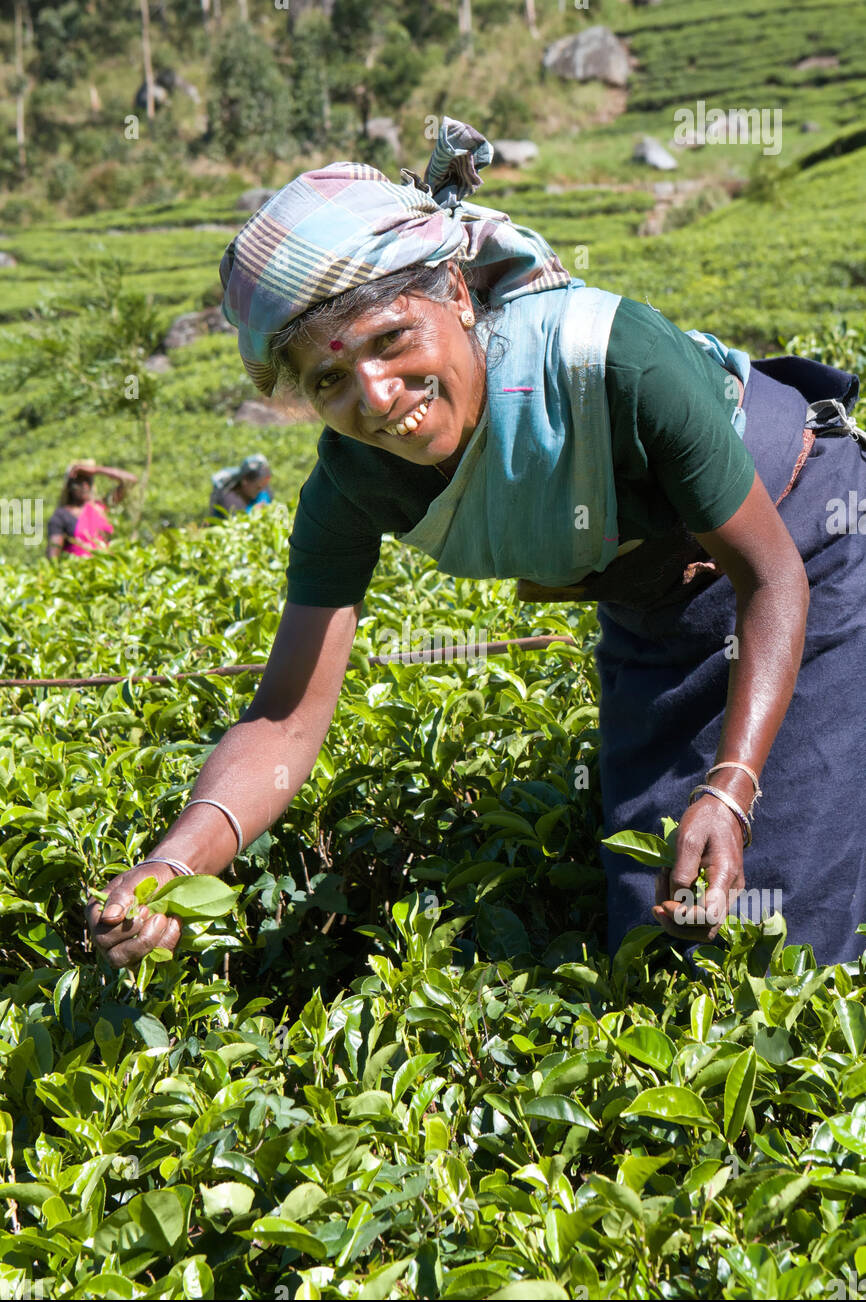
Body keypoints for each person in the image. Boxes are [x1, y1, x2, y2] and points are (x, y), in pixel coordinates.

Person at [86, 117, 866, 971]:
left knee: (787, 925)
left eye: (392, 340)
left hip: (797, 555)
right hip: (652, 616)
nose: (377, 398)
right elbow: (284, 717)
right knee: (662, 932)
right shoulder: (351, 482)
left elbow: (772, 578)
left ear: (457, 294)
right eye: (329, 380)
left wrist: (732, 784)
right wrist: (172, 864)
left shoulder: (611, 360)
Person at [46, 459, 138, 561]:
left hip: (107, 568)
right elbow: (53, 556)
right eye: (79, 482)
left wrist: (95, 470)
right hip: (79, 571)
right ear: (70, 486)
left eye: (88, 481)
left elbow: (131, 480)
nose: (84, 486)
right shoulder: (61, 516)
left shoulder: (101, 506)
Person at [208, 455, 273, 518]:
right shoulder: (229, 498)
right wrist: (254, 512)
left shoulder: (261, 489)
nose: (261, 491)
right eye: (258, 488)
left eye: (263, 486)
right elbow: (239, 522)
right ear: (245, 482)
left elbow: (265, 497)